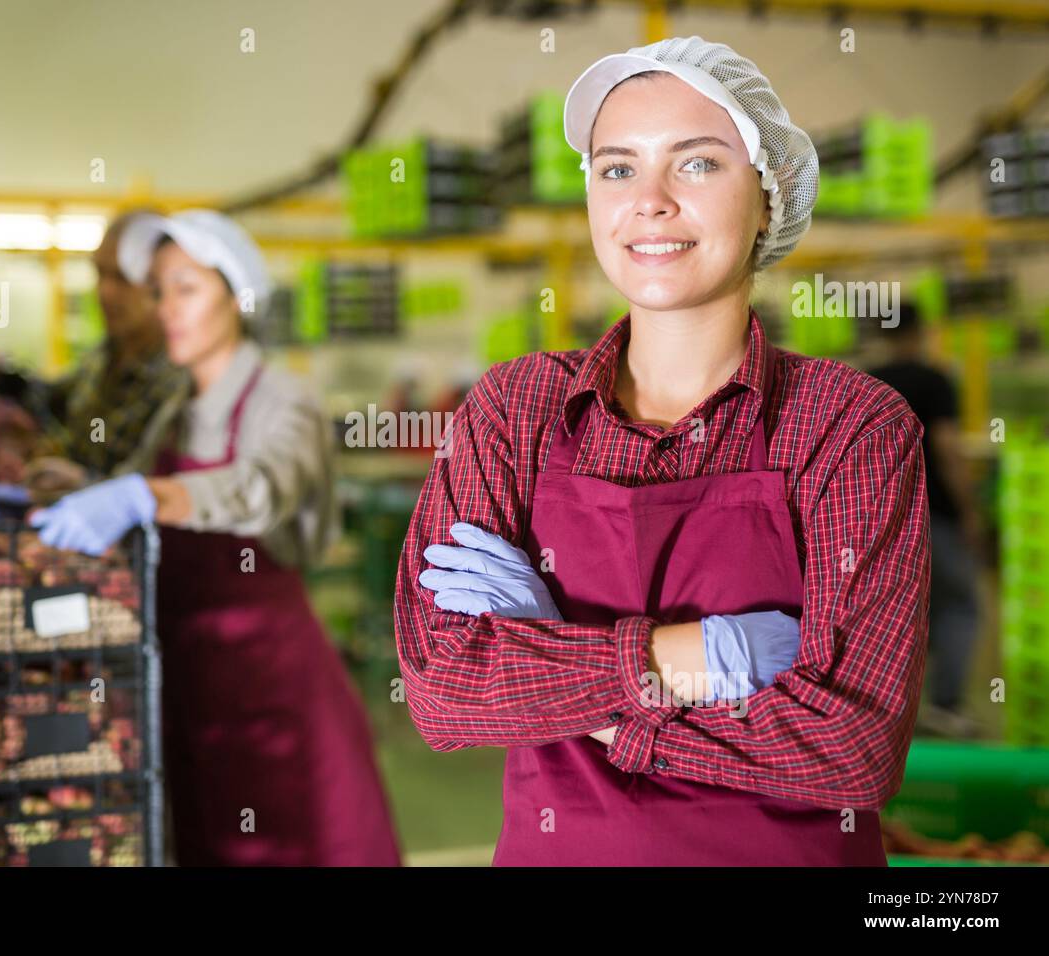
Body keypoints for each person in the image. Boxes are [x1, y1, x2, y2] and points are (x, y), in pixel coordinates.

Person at [394, 36, 930, 866]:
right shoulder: (516, 409)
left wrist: (568, 678)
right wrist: (692, 660)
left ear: (768, 195)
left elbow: (850, 749)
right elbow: (444, 694)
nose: (648, 200)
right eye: (616, 169)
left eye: (698, 164)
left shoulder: (849, 425)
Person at [27, 210, 402, 867]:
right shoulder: (178, 410)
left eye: (186, 289)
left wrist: (147, 494)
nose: (165, 309)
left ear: (238, 297)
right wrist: (79, 485)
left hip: (269, 678)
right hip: (187, 678)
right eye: (159, 291)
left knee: (298, 842)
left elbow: (262, 487)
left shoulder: (284, 401)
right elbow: (134, 491)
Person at [868, 302, 983, 738]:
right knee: (960, 607)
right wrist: (970, 510)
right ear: (921, 332)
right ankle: (946, 705)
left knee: (899, 610)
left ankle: (893, 711)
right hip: (935, 514)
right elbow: (949, 451)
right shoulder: (935, 380)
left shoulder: (867, 381)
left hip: (883, 518)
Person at [39, 209, 187, 481]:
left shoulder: (183, 379)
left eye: (121, 277)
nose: (104, 292)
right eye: (100, 273)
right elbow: (52, 401)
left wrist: (84, 484)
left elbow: (165, 490)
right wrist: (2, 378)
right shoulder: (103, 356)